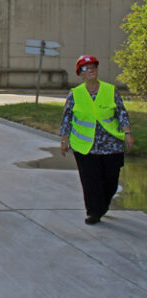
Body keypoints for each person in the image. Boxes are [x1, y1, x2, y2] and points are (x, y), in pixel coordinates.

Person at [60, 55, 135, 225]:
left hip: (111, 144)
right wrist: (64, 140)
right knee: (90, 180)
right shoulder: (75, 94)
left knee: (111, 181)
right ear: (80, 74)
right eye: (87, 68)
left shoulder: (110, 90)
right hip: (85, 146)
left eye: (93, 67)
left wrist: (128, 133)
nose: (91, 70)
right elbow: (67, 118)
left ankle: (102, 205)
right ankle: (93, 212)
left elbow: (121, 112)